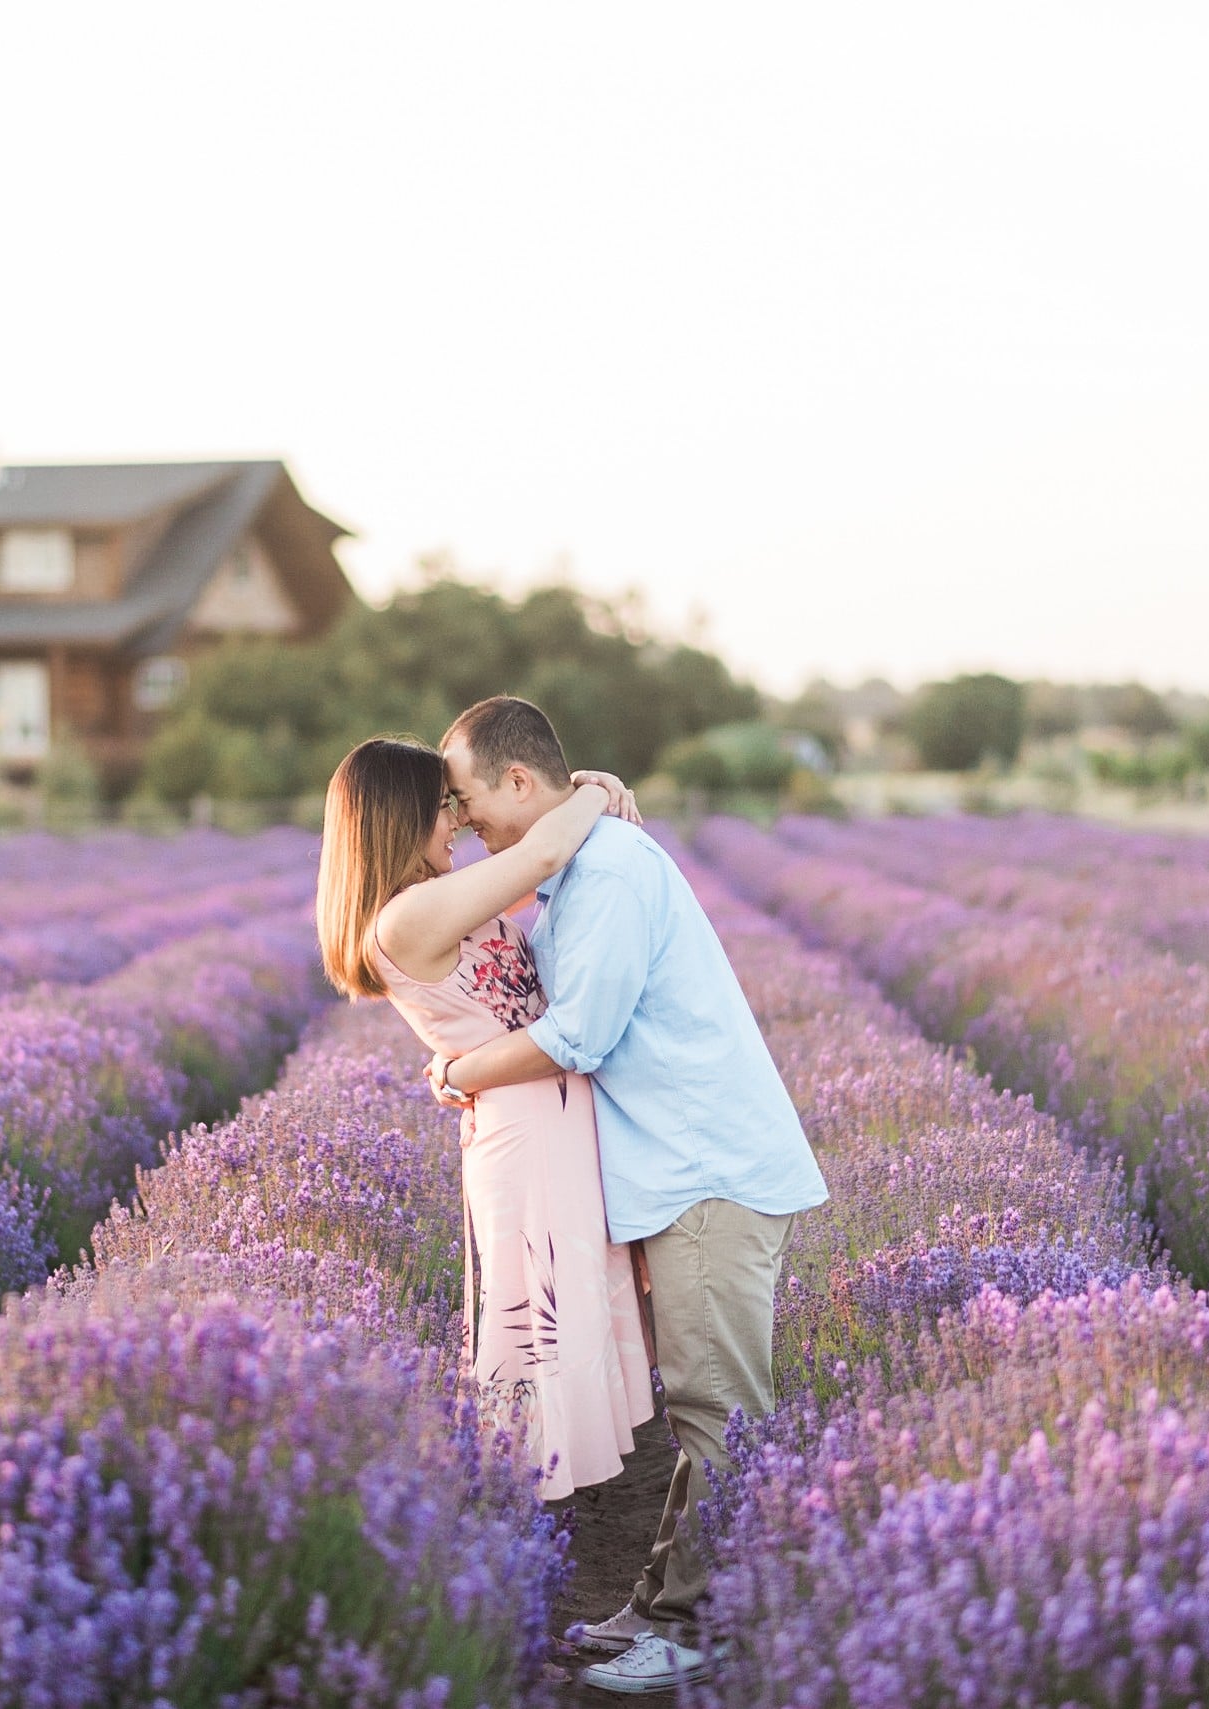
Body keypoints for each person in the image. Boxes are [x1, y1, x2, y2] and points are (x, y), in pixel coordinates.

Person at [429, 696, 828, 1697]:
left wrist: (462, 1070)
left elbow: (579, 1036)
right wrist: (599, 789)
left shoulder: (604, 872)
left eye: (470, 798)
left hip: (706, 1174)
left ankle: (701, 1630)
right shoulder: (582, 861)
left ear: (519, 781)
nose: (466, 821)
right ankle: (661, 1603)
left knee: (716, 1412)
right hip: (674, 1173)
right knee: (700, 1407)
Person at [315, 736, 656, 1505]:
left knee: (562, 1312)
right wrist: (597, 789)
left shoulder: (431, 901)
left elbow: (539, 856)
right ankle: (516, 1516)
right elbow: (538, 859)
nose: (458, 825)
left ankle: (544, 1516)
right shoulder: (402, 918)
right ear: (398, 817)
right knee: (533, 1328)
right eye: (443, 808)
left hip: (548, 1118)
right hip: (526, 1135)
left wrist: (582, 785)